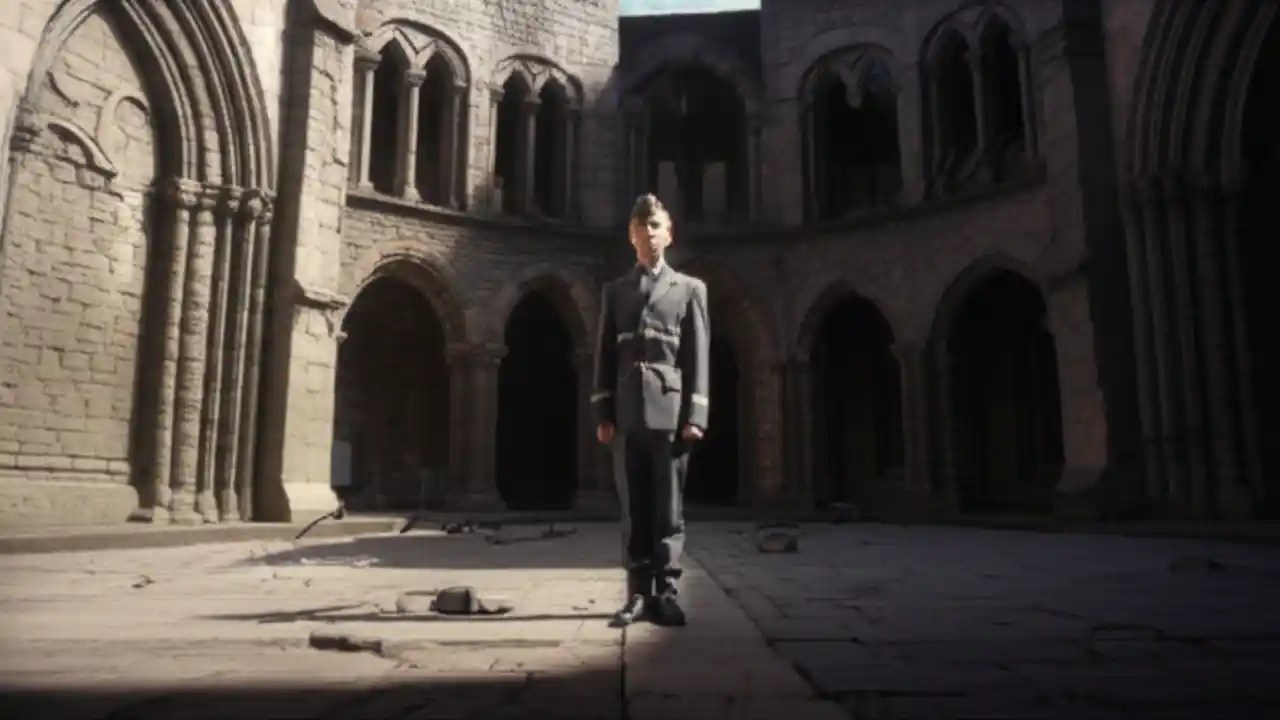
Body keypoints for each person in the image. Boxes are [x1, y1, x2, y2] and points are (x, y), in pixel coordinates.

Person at [591, 193, 710, 628]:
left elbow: (697, 356)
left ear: (669, 234)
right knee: (634, 509)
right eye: (641, 227)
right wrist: (603, 411)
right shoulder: (616, 291)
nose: (648, 233)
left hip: (670, 414)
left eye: (655, 225)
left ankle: (667, 593)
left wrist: (696, 415)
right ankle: (638, 594)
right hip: (627, 413)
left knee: (668, 510)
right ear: (631, 236)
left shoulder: (690, 289)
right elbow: (604, 354)